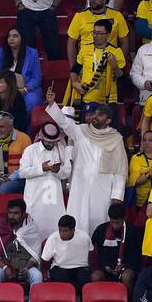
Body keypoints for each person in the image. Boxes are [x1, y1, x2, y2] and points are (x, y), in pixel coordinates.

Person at [46, 98, 128, 238]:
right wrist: (53, 104)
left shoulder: (115, 139)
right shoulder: (80, 131)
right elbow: (64, 123)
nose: (95, 116)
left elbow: (119, 170)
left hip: (103, 187)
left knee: (99, 223)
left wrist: (117, 196)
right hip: (80, 185)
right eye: (94, 114)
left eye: (100, 115)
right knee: (78, 221)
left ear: (108, 120)